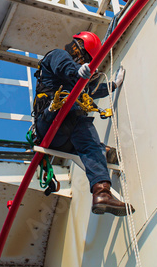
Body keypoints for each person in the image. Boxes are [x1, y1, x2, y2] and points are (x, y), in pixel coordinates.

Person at [32, 31, 132, 216]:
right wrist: (77, 72)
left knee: (90, 146)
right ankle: (102, 190)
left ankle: (103, 171)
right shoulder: (57, 55)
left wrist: (113, 85)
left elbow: (90, 90)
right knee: (83, 127)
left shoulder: (76, 82)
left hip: (58, 137)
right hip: (51, 118)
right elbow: (65, 66)